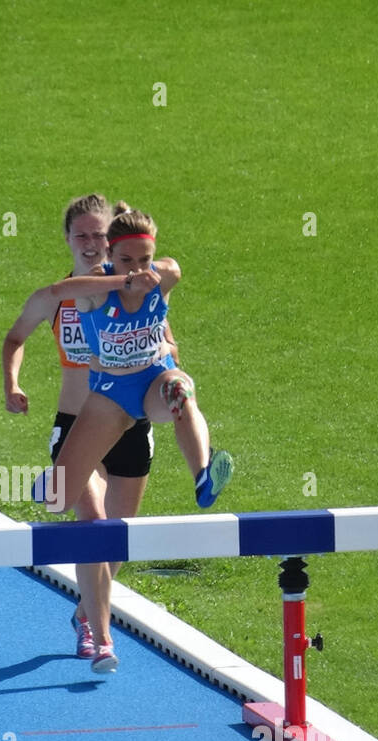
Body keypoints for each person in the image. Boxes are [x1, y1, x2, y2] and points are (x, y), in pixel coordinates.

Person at [45, 208, 234, 672]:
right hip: (108, 397)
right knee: (75, 514)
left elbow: (174, 269)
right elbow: (60, 292)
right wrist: (118, 280)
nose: (138, 269)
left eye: (144, 258)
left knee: (181, 387)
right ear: (110, 255)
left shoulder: (157, 276)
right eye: (127, 259)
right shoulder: (93, 288)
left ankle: (204, 473)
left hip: (148, 388)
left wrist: (154, 272)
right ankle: (94, 621)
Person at [2, 195, 176, 661]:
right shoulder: (57, 295)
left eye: (100, 234)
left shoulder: (135, 292)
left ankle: (86, 610)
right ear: (67, 239)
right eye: (81, 234)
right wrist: (12, 383)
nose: (91, 242)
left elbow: (165, 336)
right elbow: (15, 337)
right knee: (92, 522)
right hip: (76, 420)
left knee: (118, 537)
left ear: (111, 239)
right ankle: (102, 639)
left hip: (130, 423)